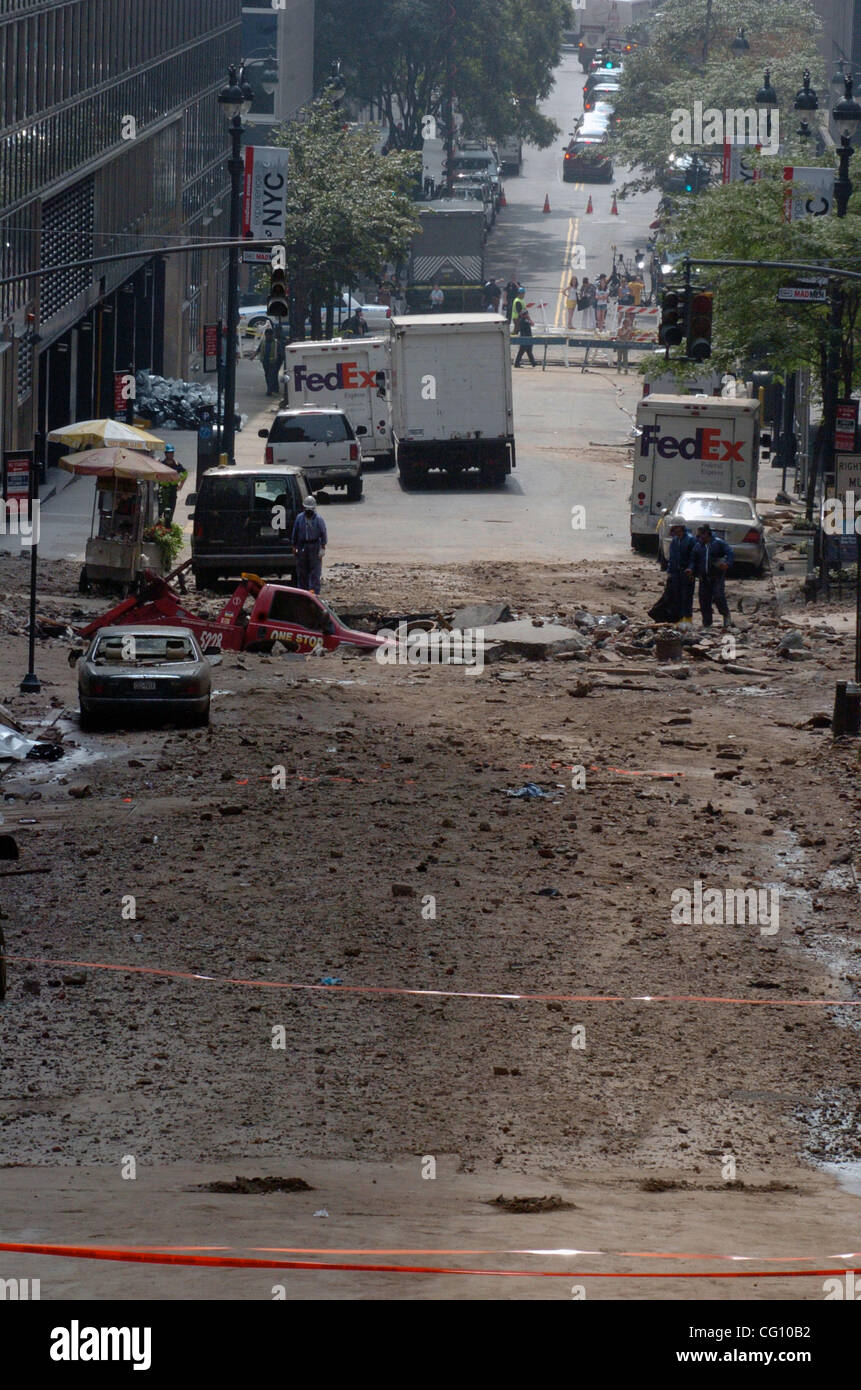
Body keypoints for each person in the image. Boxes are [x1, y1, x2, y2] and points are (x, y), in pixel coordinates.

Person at [690, 524, 734, 629]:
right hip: (704, 578)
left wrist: (727, 563)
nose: (699, 538)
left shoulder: (718, 543)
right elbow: (693, 560)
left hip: (717, 576)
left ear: (707, 534)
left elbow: (730, 552)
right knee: (704, 600)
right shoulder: (698, 547)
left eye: (701, 536)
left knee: (719, 596)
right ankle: (707, 622)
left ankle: (726, 615)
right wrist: (692, 571)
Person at [291, 494, 328, 595]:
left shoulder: (318, 519)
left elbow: (323, 533)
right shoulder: (299, 518)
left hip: (314, 545)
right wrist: (294, 546)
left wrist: (323, 547)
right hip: (302, 546)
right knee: (302, 571)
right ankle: (303, 592)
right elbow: (295, 532)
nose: (309, 511)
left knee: (315, 571)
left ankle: (314, 592)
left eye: (310, 509)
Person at [665, 517, 696, 625]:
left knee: (686, 597)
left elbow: (694, 557)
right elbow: (672, 558)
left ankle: (687, 619)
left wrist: (691, 569)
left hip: (686, 573)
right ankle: (678, 619)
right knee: (676, 596)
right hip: (676, 573)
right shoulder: (675, 541)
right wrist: (670, 572)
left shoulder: (690, 540)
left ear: (680, 528)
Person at [158, 443, 185, 525]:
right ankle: (159, 525)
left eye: (172, 452)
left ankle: (168, 525)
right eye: (169, 453)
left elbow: (184, 474)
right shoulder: (161, 464)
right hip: (162, 490)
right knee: (160, 510)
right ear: (165, 454)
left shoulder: (177, 465)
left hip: (173, 490)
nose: (171, 454)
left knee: (171, 510)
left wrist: (181, 485)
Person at [254, 326, 284, 396]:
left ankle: (270, 390)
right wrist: (253, 356)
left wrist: (282, 360)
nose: (267, 337)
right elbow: (259, 349)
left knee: (271, 375)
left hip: (274, 363)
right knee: (267, 375)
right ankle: (274, 388)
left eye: (269, 335)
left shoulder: (276, 343)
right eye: (266, 335)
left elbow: (281, 353)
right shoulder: (263, 342)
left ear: (272, 335)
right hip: (265, 362)